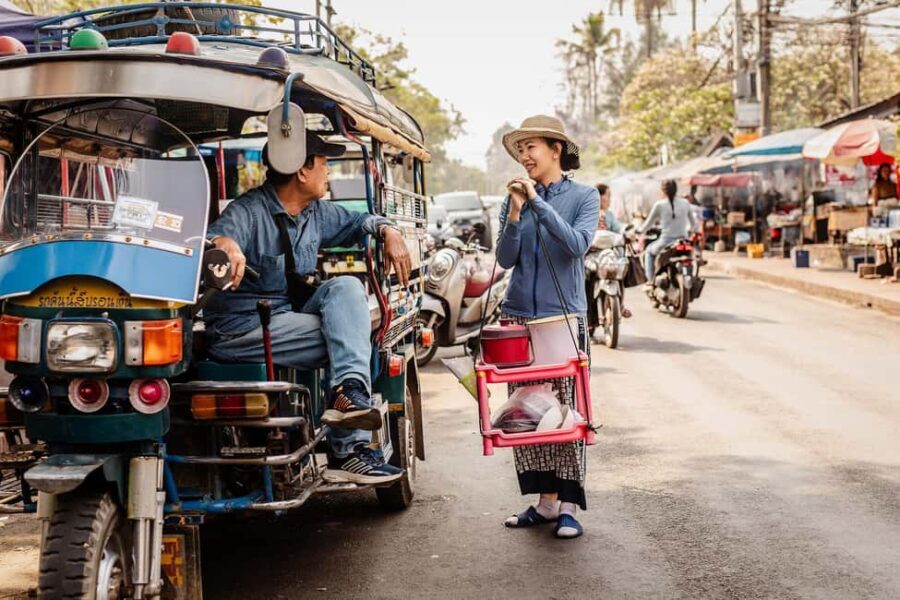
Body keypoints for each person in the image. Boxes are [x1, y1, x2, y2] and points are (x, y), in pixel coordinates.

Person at [203, 132, 411, 485]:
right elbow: (219, 237)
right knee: (350, 336)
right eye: (324, 164)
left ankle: (347, 393)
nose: (328, 173)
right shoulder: (249, 211)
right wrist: (227, 247)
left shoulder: (316, 212)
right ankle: (348, 451)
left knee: (346, 287)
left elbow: (361, 222)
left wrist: (388, 230)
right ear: (302, 171)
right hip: (242, 328)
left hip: (286, 317)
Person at [495, 115, 600, 539]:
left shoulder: (584, 196)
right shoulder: (515, 200)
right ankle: (544, 504)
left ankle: (569, 506)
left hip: (563, 317)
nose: (524, 156)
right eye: (520, 150)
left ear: (555, 149)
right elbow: (505, 258)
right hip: (519, 315)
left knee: (565, 414)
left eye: (531, 147)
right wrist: (517, 212)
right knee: (526, 413)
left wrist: (537, 202)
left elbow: (576, 245)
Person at [638, 179, 697, 282]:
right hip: (683, 240)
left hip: (665, 242)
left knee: (648, 252)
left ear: (663, 191)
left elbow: (648, 224)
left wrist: (638, 231)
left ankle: (650, 281)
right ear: (676, 190)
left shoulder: (659, 205)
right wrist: (689, 233)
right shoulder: (685, 203)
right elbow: (693, 225)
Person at [595, 183, 632, 320]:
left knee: (620, 269)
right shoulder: (588, 211)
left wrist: (628, 233)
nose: (610, 200)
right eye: (608, 196)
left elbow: (619, 228)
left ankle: (620, 305)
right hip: (591, 256)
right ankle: (584, 313)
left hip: (609, 255)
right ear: (600, 197)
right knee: (585, 276)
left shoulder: (609, 215)